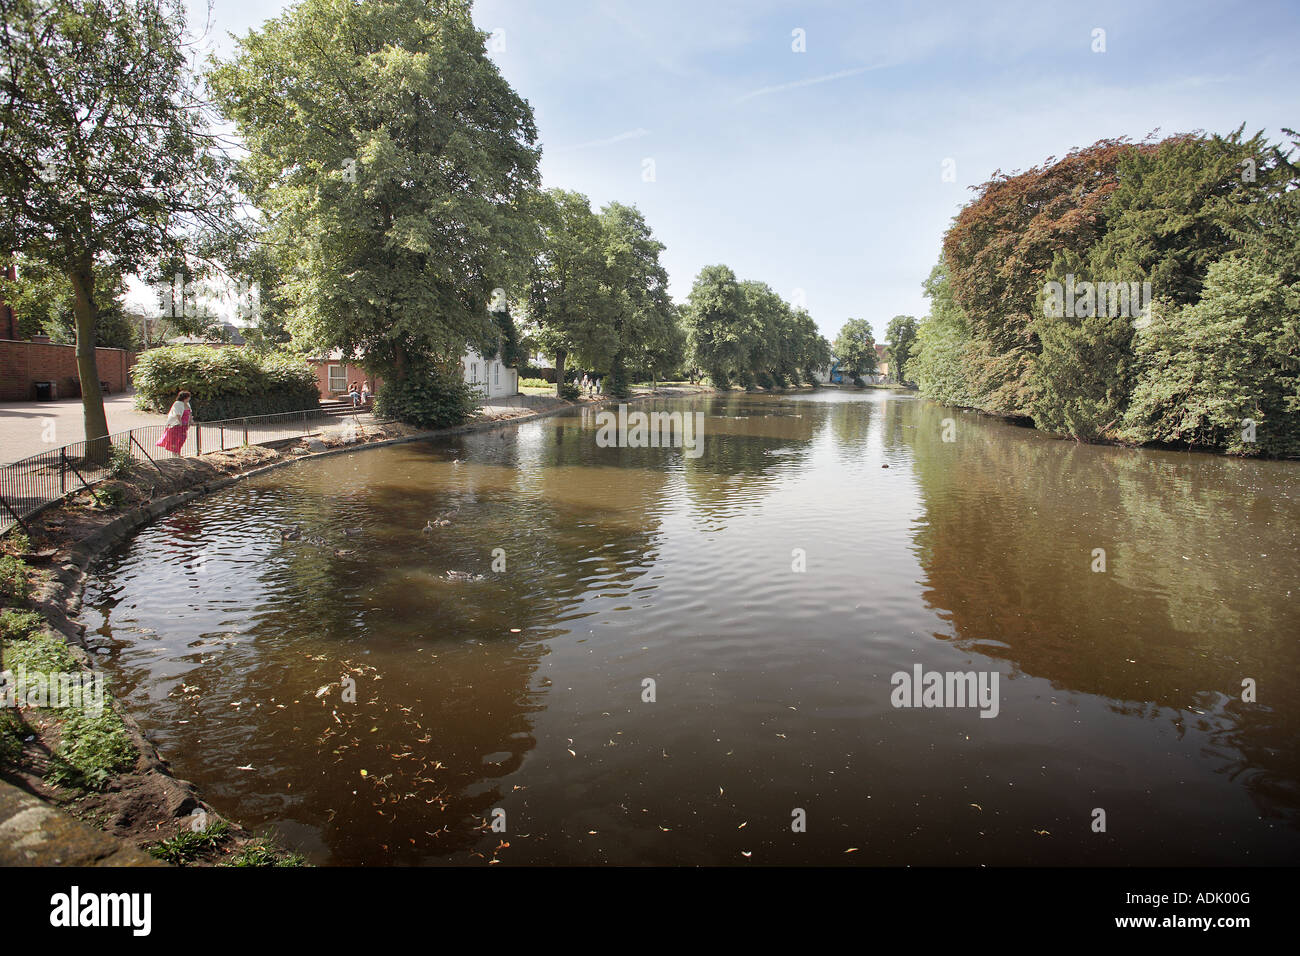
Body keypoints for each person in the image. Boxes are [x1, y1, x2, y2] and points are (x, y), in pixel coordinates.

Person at [155, 390, 192, 455]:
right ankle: (174, 453)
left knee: (182, 438)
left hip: (185, 424)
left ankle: (178, 452)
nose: (189, 398)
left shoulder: (187, 404)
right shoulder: (178, 403)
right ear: (185, 397)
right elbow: (177, 414)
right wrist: (180, 422)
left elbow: (189, 413)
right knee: (175, 438)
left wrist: (189, 421)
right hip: (177, 424)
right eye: (188, 397)